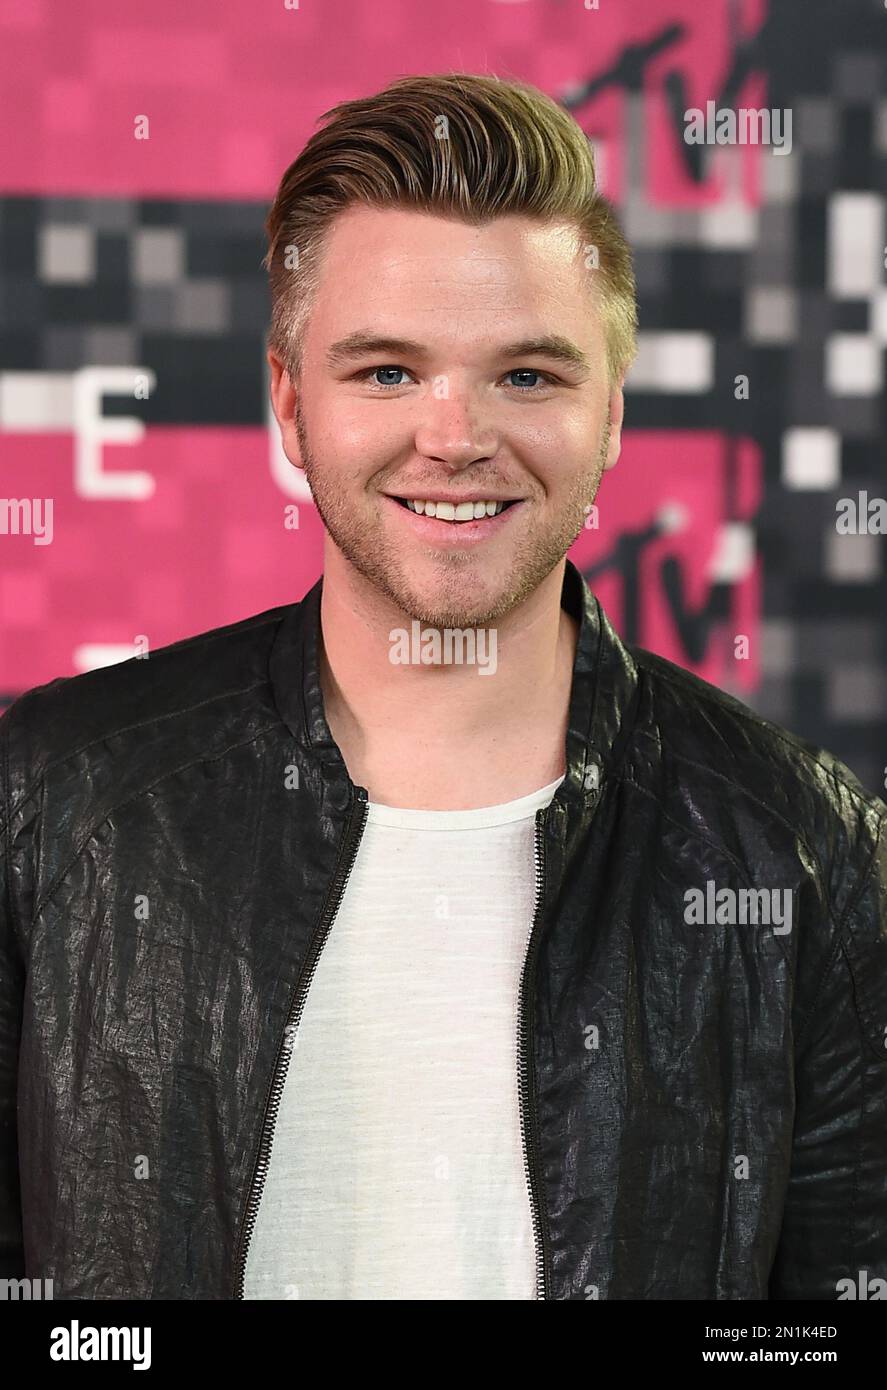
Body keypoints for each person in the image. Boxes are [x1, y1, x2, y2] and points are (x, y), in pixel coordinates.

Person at [1, 72, 885, 1302]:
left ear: (611, 413)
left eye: (527, 375)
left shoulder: (797, 844)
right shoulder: (52, 795)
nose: (455, 434)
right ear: (288, 404)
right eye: (386, 372)